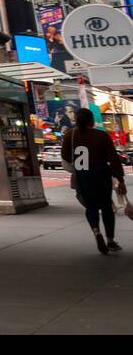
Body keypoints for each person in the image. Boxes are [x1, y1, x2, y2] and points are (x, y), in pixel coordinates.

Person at [63, 108, 126, 253]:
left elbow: (66, 157)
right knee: (106, 207)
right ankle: (110, 240)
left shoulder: (69, 136)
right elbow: (113, 159)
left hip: (82, 174)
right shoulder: (101, 136)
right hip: (101, 174)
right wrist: (120, 180)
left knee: (90, 207)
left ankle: (97, 233)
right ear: (91, 121)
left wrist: (81, 162)